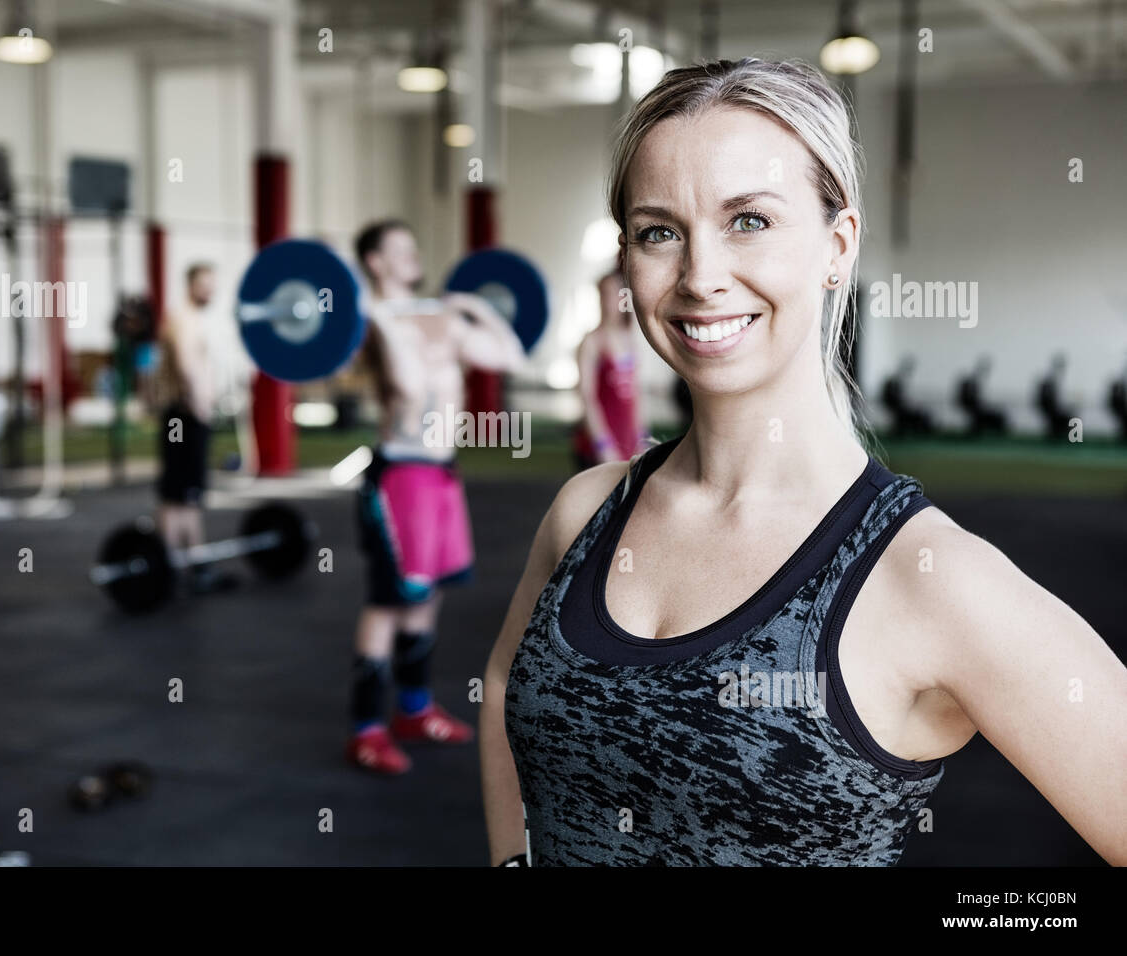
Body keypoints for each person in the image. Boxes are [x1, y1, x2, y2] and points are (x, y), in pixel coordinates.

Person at [479, 58, 1127, 866]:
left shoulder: (928, 577)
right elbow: (505, 686)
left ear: (837, 245)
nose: (700, 277)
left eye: (748, 220)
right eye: (658, 232)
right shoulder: (585, 513)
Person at [347, 219, 525, 775]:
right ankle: (366, 729)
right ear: (375, 261)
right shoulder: (374, 321)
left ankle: (414, 710)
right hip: (401, 475)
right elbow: (408, 389)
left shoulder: (438, 315)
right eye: (398, 249)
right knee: (388, 603)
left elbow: (510, 357)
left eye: (412, 244)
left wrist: (475, 307)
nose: (411, 255)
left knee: (427, 599)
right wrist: (393, 320)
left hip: (443, 474)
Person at [151, 262, 235, 595]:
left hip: (183, 415)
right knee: (179, 494)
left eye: (213, 285)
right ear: (190, 285)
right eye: (205, 284)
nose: (210, 291)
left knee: (186, 495)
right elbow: (187, 365)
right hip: (184, 416)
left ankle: (192, 564)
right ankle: (170, 565)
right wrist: (200, 405)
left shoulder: (186, 317)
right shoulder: (183, 318)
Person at [571, 262, 650, 470]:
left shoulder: (630, 340)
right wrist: (602, 443)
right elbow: (587, 397)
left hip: (627, 438)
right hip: (599, 440)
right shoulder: (591, 342)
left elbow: (635, 394)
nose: (607, 300)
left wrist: (641, 437)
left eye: (612, 294)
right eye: (603, 294)